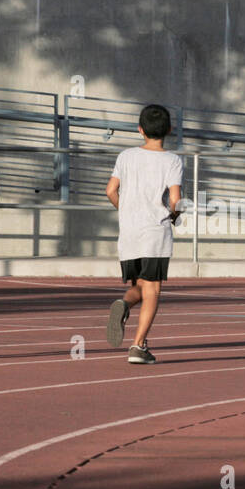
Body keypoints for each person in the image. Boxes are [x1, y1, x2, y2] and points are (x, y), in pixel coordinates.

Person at [105, 105, 183, 364]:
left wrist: (125, 210)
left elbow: (110, 190)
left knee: (139, 285)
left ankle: (124, 305)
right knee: (153, 289)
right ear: (169, 130)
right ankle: (138, 346)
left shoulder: (125, 156)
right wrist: (175, 215)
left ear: (140, 130)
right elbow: (175, 199)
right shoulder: (172, 160)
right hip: (154, 231)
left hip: (129, 232)